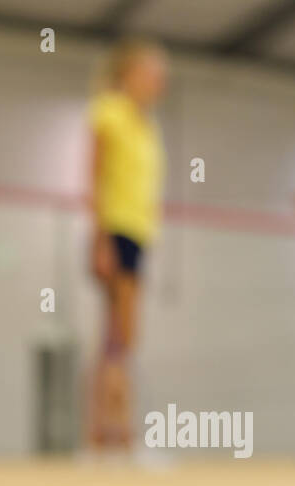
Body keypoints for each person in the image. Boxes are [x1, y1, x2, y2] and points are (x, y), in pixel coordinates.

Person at [86, 39, 167, 452]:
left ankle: (107, 433)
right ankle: (117, 433)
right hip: (116, 232)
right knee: (122, 336)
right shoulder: (109, 111)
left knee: (117, 336)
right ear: (128, 73)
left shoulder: (147, 125)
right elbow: (94, 176)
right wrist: (99, 240)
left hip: (139, 234)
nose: (159, 81)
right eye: (151, 72)